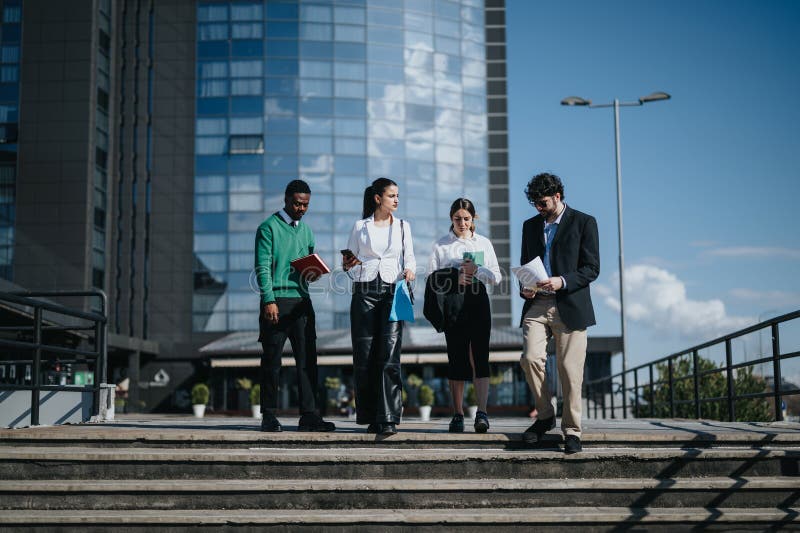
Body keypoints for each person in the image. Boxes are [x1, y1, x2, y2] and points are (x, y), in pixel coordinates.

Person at [519, 172, 599, 454]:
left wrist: (561, 281)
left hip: (570, 303)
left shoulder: (584, 222)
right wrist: (525, 287)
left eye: (543, 203)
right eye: (535, 204)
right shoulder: (530, 226)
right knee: (529, 358)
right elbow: (526, 266)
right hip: (537, 303)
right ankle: (544, 416)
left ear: (557, 196)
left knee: (569, 369)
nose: (539, 209)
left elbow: (591, 269)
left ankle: (572, 430)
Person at [254, 179, 335, 433]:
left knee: (307, 361)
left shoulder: (307, 231)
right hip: (276, 302)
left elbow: (307, 264)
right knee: (271, 362)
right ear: (287, 200)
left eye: (306, 205)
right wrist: (268, 299)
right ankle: (269, 415)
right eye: (298, 203)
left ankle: (309, 415)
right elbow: (263, 267)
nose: (302, 208)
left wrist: (314, 274)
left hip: (302, 302)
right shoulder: (267, 228)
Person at [343, 177, 416, 436]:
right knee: (365, 356)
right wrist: (348, 263)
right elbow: (348, 261)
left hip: (393, 291)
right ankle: (371, 414)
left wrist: (410, 270)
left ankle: (388, 417)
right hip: (364, 291)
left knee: (389, 355)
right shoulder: (360, 226)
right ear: (378, 198)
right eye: (391, 195)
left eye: (397, 196)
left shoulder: (404, 226)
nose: (396, 200)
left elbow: (411, 258)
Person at [427, 198, 501, 433]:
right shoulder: (441, 245)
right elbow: (431, 277)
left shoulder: (484, 243)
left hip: (478, 300)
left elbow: (497, 277)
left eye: (466, 219)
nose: (462, 223)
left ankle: (482, 412)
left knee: (480, 356)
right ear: (451, 218)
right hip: (453, 302)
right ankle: (457, 413)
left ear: (473, 219)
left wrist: (477, 269)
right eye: (458, 218)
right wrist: (453, 277)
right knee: (456, 357)